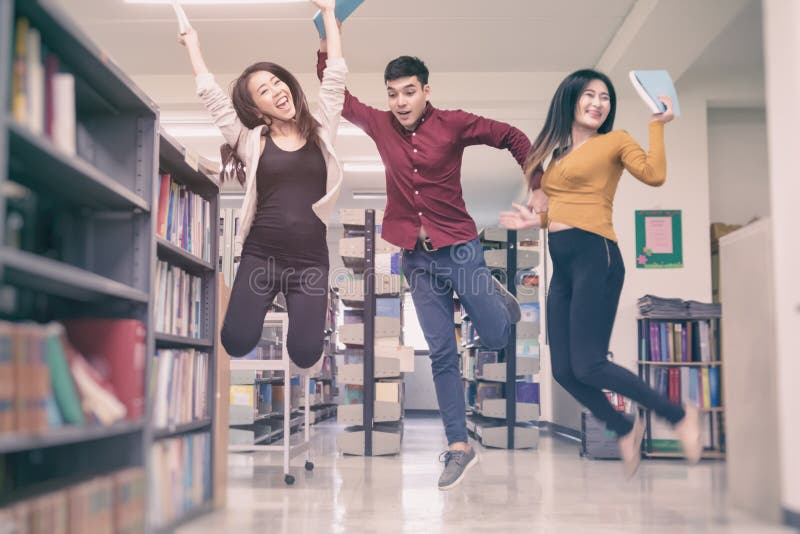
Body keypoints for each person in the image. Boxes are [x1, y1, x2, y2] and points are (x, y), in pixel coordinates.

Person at [316, 35, 544, 490]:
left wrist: (535, 184)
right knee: (441, 353)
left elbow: (511, 137)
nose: (400, 101)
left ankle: (495, 302)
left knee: (497, 336)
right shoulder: (379, 124)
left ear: (426, 91)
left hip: (460, 248)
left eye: (409, 91)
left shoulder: (455, 124)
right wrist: (327, 36)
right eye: (393, 93)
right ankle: (459, 447)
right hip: (416, 258)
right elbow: (336, 95)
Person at [500, 69, 702, 477]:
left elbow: (654, 175)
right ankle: (624, 426)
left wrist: (657, 127)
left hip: (597, 255)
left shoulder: (616, 141)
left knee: (589, 364)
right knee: (563, 370)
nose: (597, 103)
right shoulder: (557, 156)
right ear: (571, 99)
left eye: (604, 97)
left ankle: (678, 414)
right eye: (589, 95)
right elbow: (559, 211)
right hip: (563, 266)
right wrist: (533, 222)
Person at [179, 0, 346, 370]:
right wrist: (193, 46)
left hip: (310, 263)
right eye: (265, 91)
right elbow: (214, 100)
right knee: (236, 341)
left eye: (277, 82)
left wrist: (331, 16)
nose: (277, 90)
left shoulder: (321, 133)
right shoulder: (251, 141)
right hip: (262, 256)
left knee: (306, 354)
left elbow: (335, 79)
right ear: (257, 110)